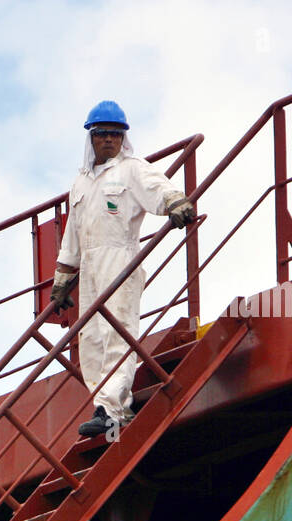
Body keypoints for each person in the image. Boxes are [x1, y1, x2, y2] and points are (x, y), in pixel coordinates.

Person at [50, 100, 196, 437]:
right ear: (91, 137)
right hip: (88, 268)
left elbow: (159, 188)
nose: (108, 140)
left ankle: (113, 408)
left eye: (115, 134)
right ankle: (102, 405)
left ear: (123, 138)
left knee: (118, 333)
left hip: (120, 260)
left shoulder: (132, 169)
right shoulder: (81, 182)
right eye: (102, 134)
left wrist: (176, 204)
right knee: (91, 339)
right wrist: (62, 281)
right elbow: (72, 235)